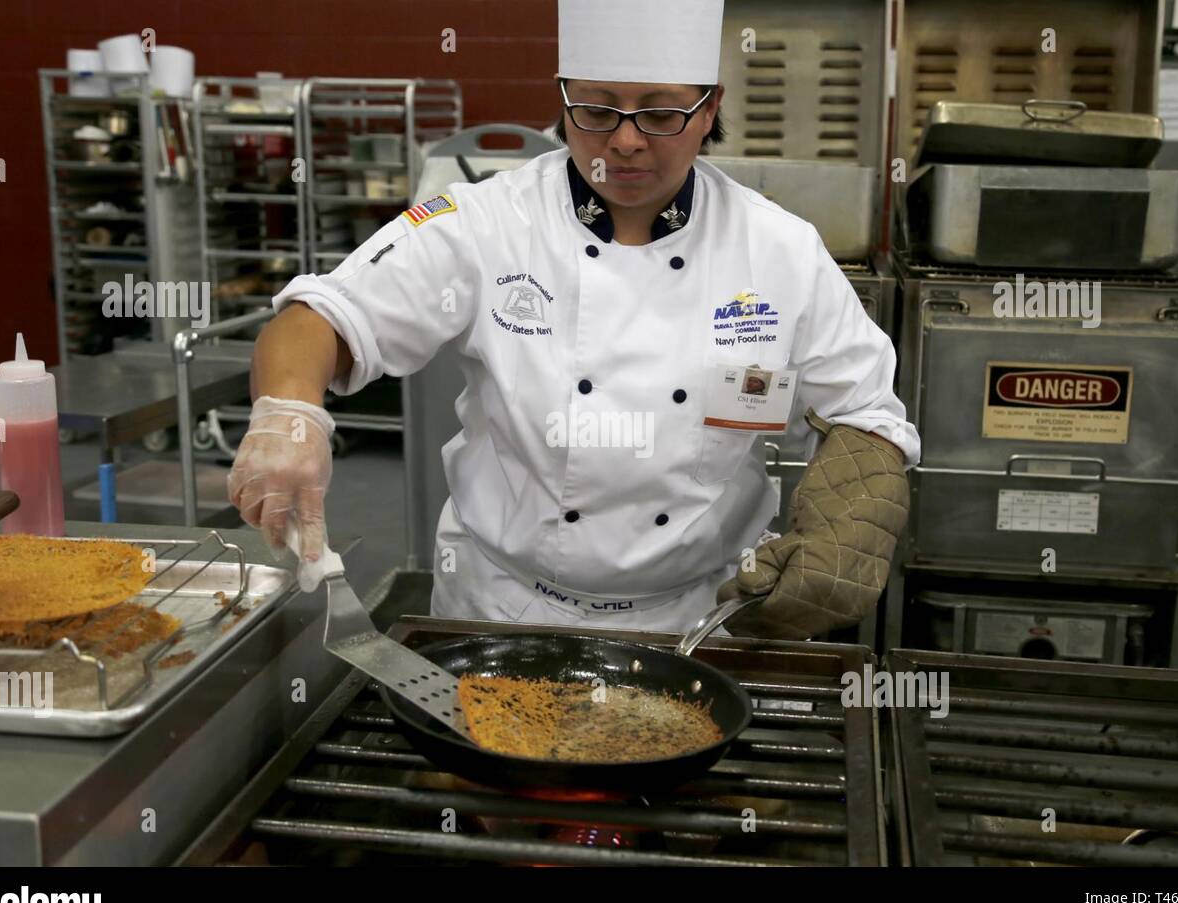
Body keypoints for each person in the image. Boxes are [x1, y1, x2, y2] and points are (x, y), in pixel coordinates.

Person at [226, 0, 921, 640]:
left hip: (699, 619)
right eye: (595, 110)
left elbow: (866, 412)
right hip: (500, 608)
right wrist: (288, 416)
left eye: (658, 114)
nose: (623, 143)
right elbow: (323, 315)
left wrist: (848, 527)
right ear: (562, 100)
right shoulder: (487, 221)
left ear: (710, 110)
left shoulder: (779, 250)